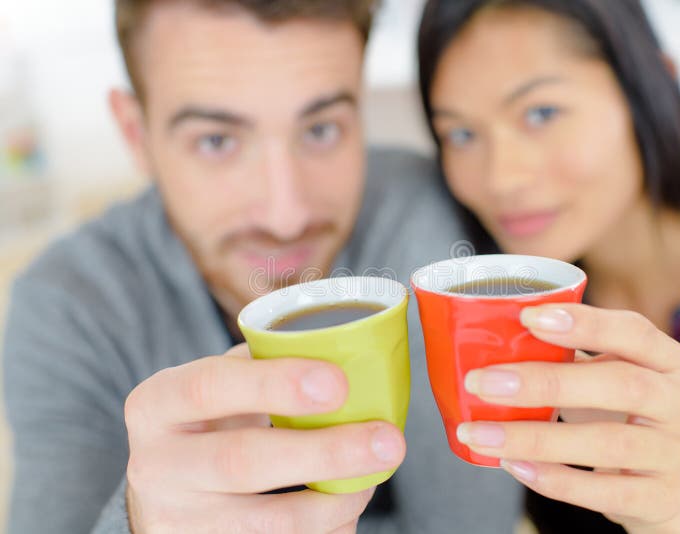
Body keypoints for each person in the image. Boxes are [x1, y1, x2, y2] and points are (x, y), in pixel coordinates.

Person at [2, 1, 526, 533]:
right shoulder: (65, 308)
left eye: (321, 130)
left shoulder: (419, 219)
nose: (286, 216)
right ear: (136, 133)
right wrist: (138, 523)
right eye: (217, 141)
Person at [418, 0, 680, 532]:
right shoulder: (500, 311)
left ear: (651, 89)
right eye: (460, 134)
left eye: (541, 113)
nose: (501, 179)